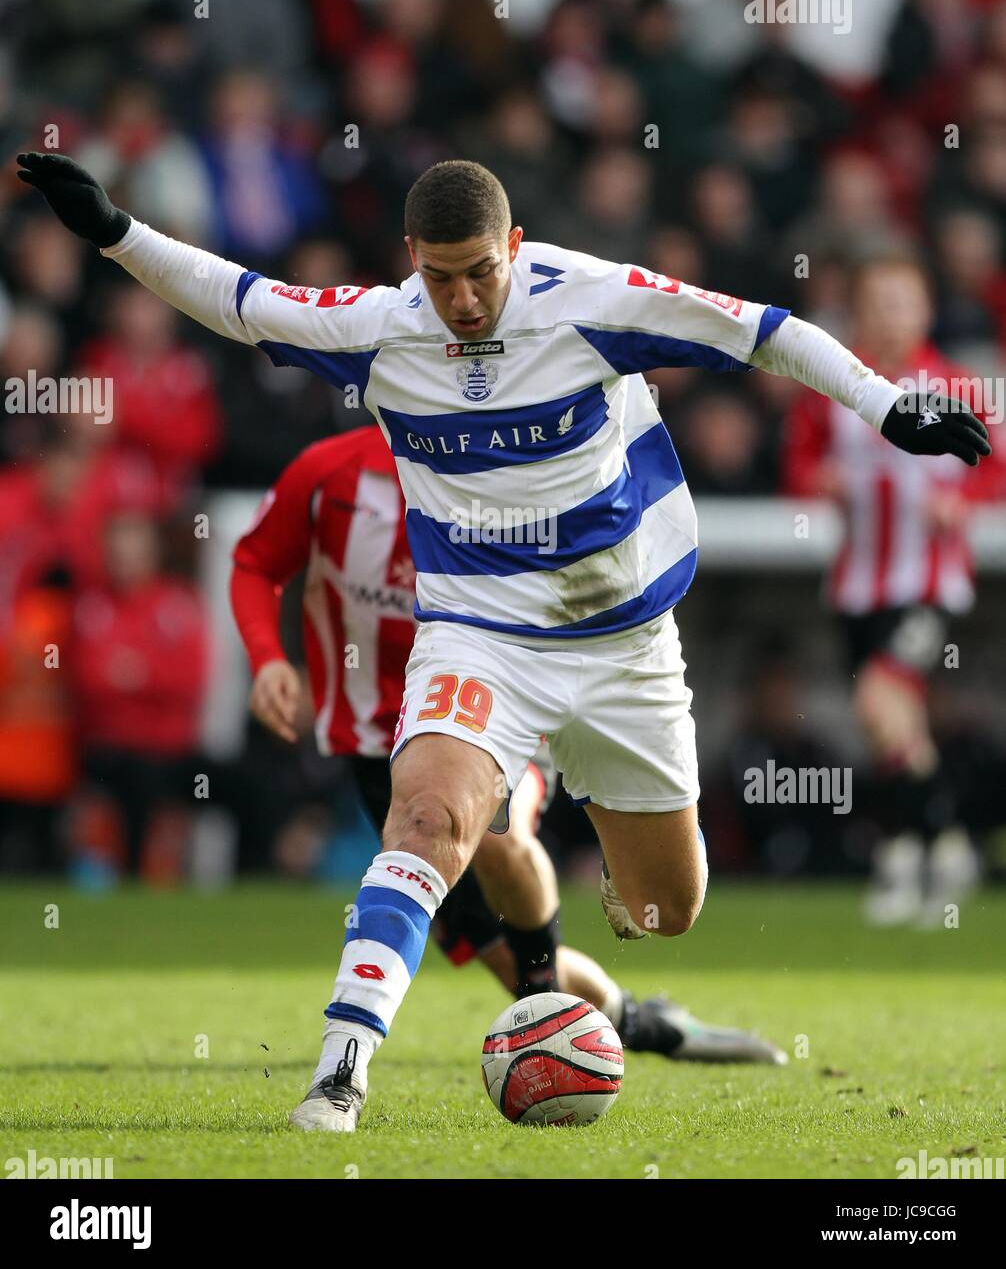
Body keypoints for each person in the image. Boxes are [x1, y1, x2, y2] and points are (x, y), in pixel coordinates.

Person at [17, 152, 990, 1133]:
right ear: (412, 261)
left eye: (481, 269)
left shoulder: (587, 300)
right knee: (428, 825)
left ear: (513, 246)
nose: (464, 297)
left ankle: (608, 849)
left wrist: (884, 403)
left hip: (624, 646)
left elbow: (759, 331)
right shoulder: (381, 328)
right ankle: (339, 1073)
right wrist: (112, 231)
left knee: (664, 912)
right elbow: (236, 297)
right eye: (440, 276)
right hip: (481, 633)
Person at [230, 425, 786, 1063]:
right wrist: (268, 657)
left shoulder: (498, 472)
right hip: (375, 747)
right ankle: (643, 1022)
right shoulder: (328, 473)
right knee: (510, 970)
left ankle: (633, 832)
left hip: (496, 714)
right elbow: (255, 562)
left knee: (500, 841)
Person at [782, 255, 998, 924]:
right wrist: (820, 482)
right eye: (877, 303)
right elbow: (799, 464)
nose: (889, 316)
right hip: (856, 585)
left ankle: (911, 853)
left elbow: (992, 469)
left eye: (903, 302)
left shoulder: (959, 384)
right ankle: (939, 844)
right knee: (894, 728)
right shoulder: (837, 384)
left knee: (879, 702)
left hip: (929, 582)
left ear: (926, 310)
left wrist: (966, 504)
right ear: (858, 313)